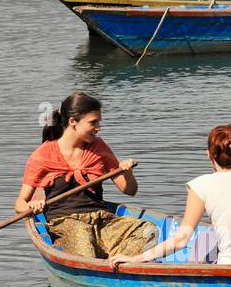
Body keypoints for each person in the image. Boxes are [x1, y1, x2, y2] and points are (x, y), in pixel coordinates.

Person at [109, 124, 231, 269]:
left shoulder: (201, 185)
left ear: (209, 154)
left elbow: (181, 240)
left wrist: (137, 259)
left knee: (203, 242)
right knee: (209, 237)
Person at [16, 92, 154, 259]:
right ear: (73, 122)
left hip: (101, 220)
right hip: (66, 223)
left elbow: (129, 190)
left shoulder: (98, 147)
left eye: (99, 122)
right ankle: (102, 258)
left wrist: (128, 173)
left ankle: (115, 261)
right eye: (93, 122)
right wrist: (32, 207)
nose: (98, 127)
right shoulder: (43, 154)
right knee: (83, 244)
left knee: (148, 230)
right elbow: (20, 204)